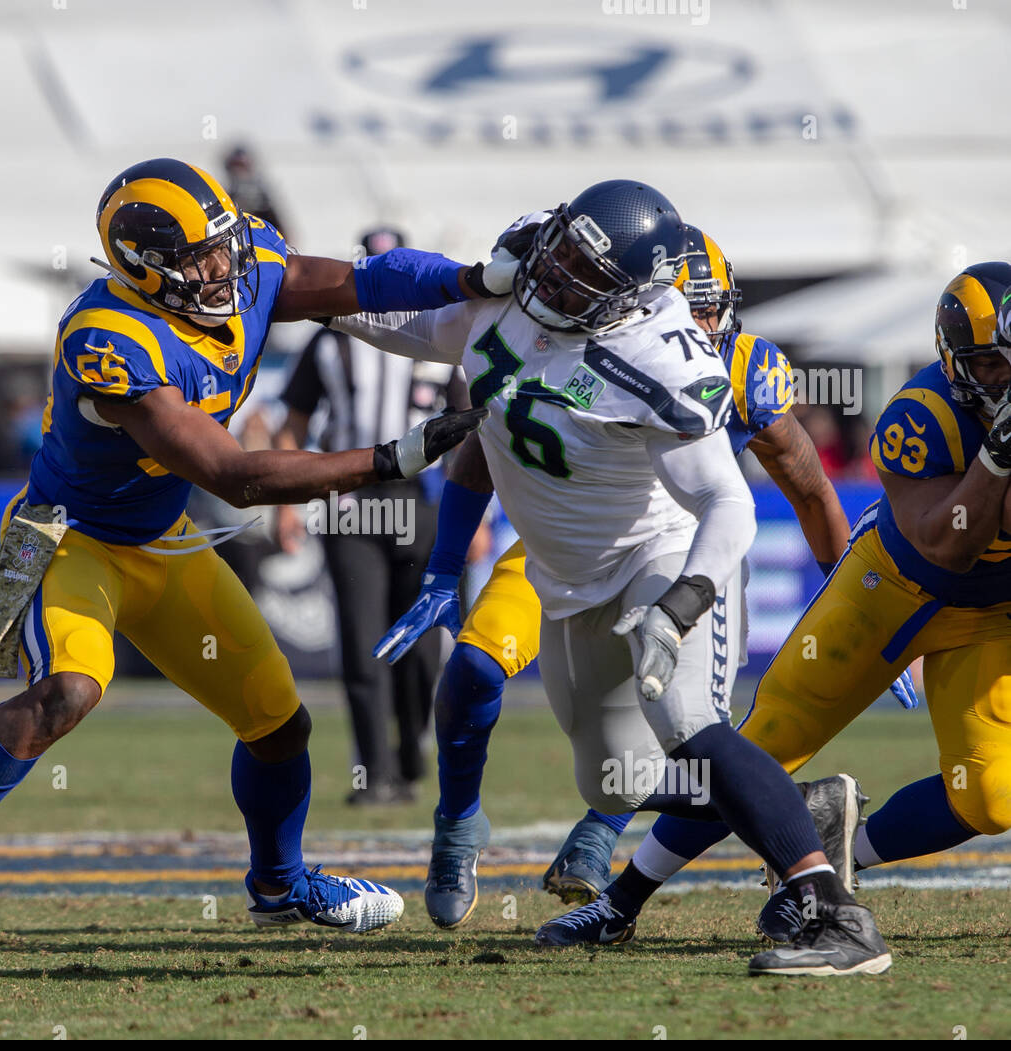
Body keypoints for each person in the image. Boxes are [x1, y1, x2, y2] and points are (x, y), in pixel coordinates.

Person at [0, 157, 502, 955]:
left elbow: (362, 282)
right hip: (75, 540)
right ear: (141, 270)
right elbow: (235, 476)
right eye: (197, 258)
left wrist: (476, 276)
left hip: (163, 542)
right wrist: (391, 460)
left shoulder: (244, 263)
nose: (220, 268)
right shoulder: (108, 340)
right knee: (69, 691)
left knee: (278, 725)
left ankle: (279, 886)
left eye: (223, 248)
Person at [335, 181, 892, 975]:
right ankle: (803, 810)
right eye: (559, 253)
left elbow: (727, 500)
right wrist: (279, 288)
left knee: (688, 718)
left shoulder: (659, 354)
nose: (556, 277)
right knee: (616, 781)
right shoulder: (514, 284)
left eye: (584, 274)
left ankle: (835, 917)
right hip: (564, 577)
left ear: (632, 297)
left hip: (654, 556)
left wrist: (682, 600)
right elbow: (387, 308)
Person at [579, 262, 1011, 951]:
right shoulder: (918, 416)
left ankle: (839, 860)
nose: (1004, 381)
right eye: (991, 365)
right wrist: (997, 456)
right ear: (956, 361)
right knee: (767, 742)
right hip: (891, 588)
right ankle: (620, 901)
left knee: (991, 795)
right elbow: (944, 544)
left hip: (992, 614)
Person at [275, 227, 463, 805]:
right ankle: (373, 773)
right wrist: (286, 504)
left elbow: (470, 434)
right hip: (351, 500)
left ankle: (410, 757)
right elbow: (296, 423)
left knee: (420, 646)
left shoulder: (442, 337)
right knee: (361, 645)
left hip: (422, 501)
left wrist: (472, 515)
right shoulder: (331, 337)